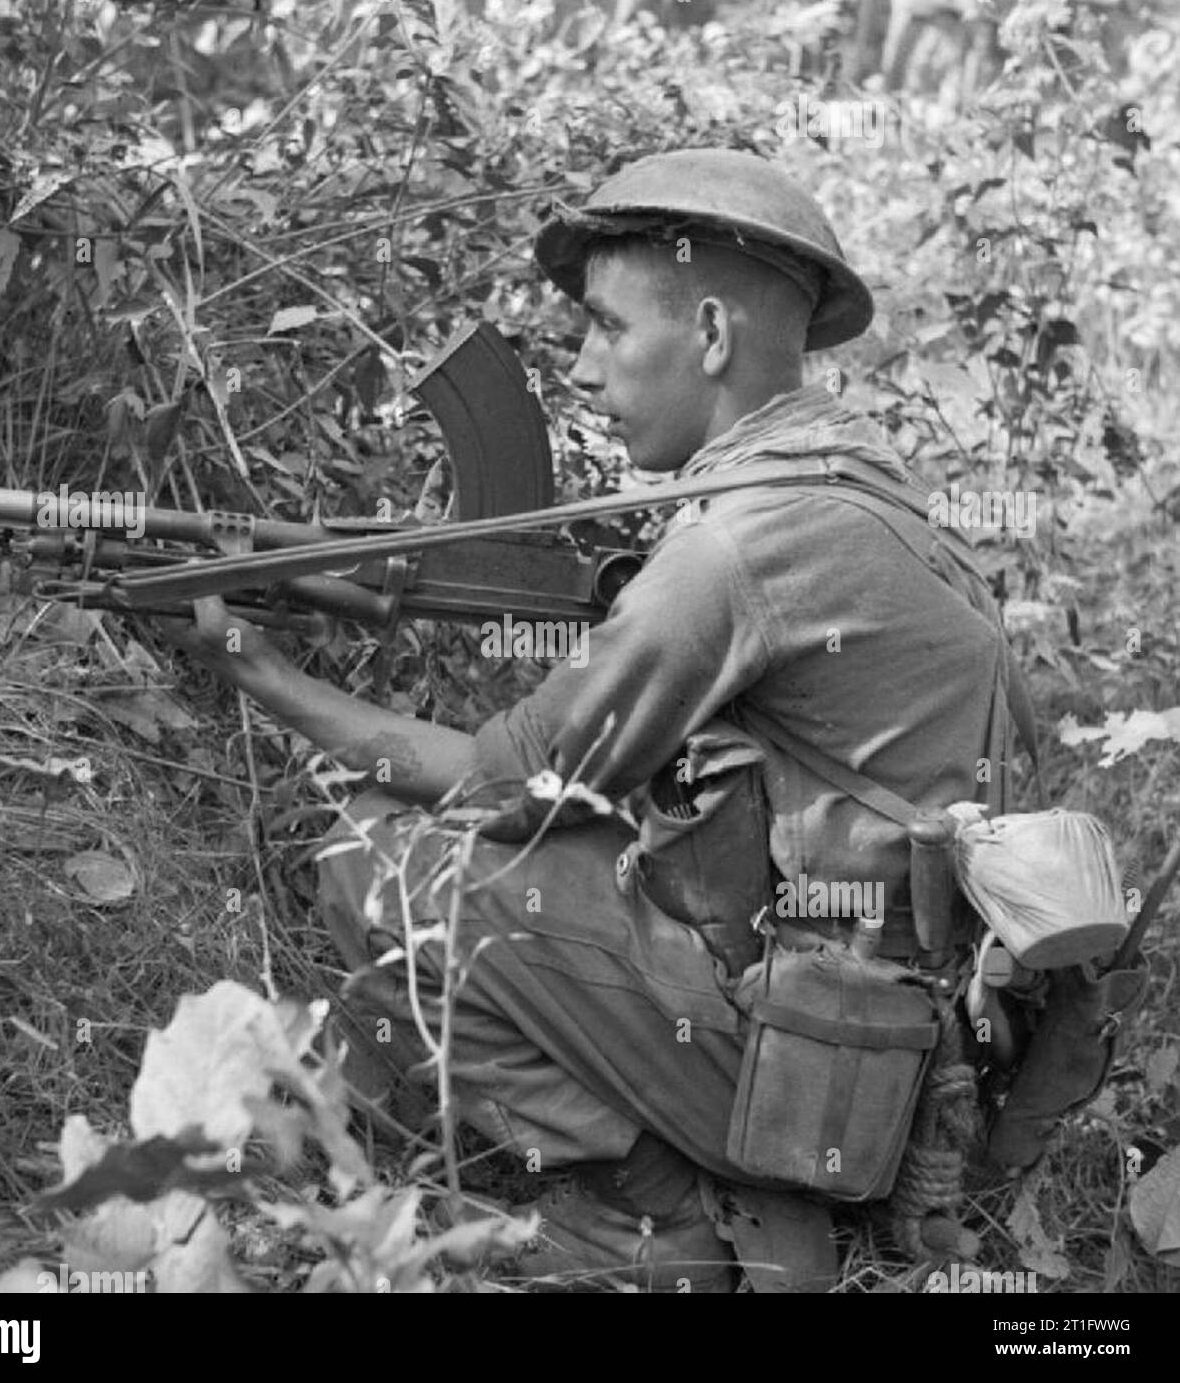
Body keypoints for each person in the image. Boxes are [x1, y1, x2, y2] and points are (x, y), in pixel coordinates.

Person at [166, 148, 1016, 1292]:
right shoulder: (859, 494)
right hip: (892, 1043)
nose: (578, 367)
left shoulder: (741, 539)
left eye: (607, 329)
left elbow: (497, 777)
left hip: (817, 1067)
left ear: (709, 334)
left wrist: (262, 673)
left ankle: (660, 1221)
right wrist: (367, 587)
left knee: (379, 849)